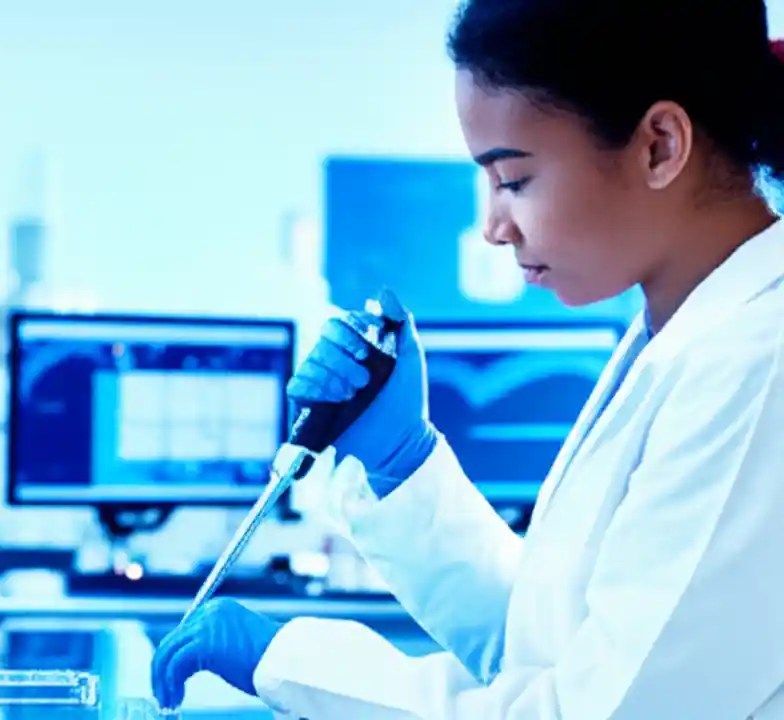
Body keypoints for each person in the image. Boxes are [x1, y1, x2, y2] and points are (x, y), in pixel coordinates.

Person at [149, 0, 784, 717]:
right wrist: (403, 461)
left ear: (660, 146)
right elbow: (550, 646)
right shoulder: (683, 337)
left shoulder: (758, 365)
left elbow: (604, 712)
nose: (492, 226)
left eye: (513, 179)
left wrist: (289, 662)